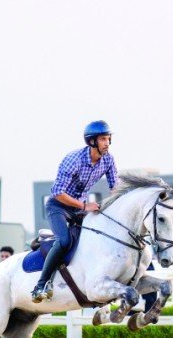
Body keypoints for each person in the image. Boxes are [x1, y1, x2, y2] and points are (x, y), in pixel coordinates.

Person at [31, 120, 118, 302]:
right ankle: (40, 285)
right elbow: (57, 193)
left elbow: (115, 188)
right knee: (64, 240)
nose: (107, 143)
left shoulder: (108, 159)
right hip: (58, 206)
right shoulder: (74, 160)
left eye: (108, 139)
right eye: (103, 139)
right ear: (92, 141)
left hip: (78, 209)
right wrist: (85, 206)